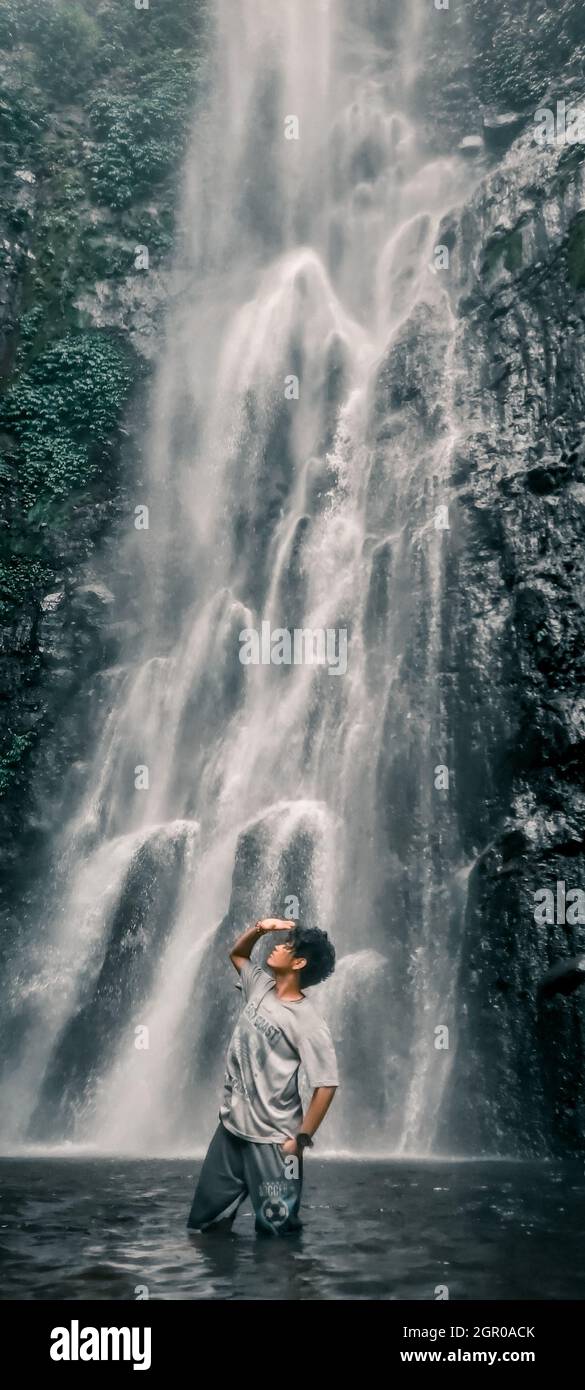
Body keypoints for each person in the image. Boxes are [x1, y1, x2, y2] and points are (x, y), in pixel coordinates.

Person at [186, 917, 339, 1236]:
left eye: (286, 945)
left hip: (273, 1140)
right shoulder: (260, 984)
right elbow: (238, 956)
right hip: (231, 1129)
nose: (277, 945)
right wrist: (261, 929)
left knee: (277, 1230)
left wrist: (301, 1138)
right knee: (205, 1225)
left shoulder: (309, 1023)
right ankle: (226, 1285)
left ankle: (277, 1283)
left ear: (298, 962)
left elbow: (326, 1085)